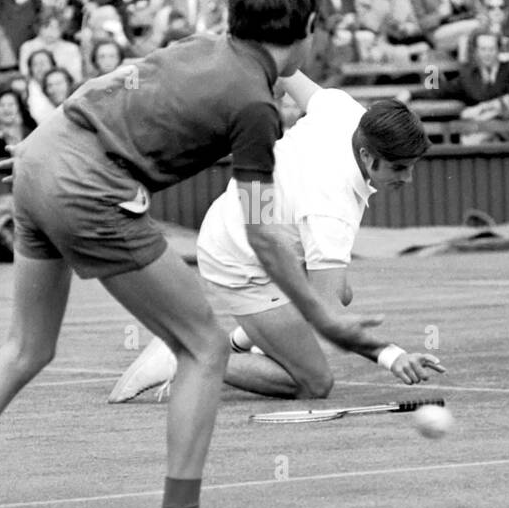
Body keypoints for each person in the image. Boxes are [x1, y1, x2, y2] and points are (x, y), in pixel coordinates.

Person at [0, 0, 385, 508]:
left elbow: (115, 80)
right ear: (309, 27)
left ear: (233, 17)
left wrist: (45, 145)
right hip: (89, 189)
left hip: (43, 156)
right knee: (204, 345)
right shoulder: (256, 109)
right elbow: (262, 231)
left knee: (26, 347)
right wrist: (326, 318)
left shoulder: (202, 45)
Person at [111, 73, 443, 403]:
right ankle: (185, 352)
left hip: (241, 219)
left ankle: (247, 340)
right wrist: (391, 355)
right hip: (238, 259)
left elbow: (284, 71)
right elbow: (327, 320)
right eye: (399, 168)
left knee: (339, 290)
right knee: (313, 381)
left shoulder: (345, 111)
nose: (409, 178)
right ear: (369, 157)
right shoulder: (332, 210)